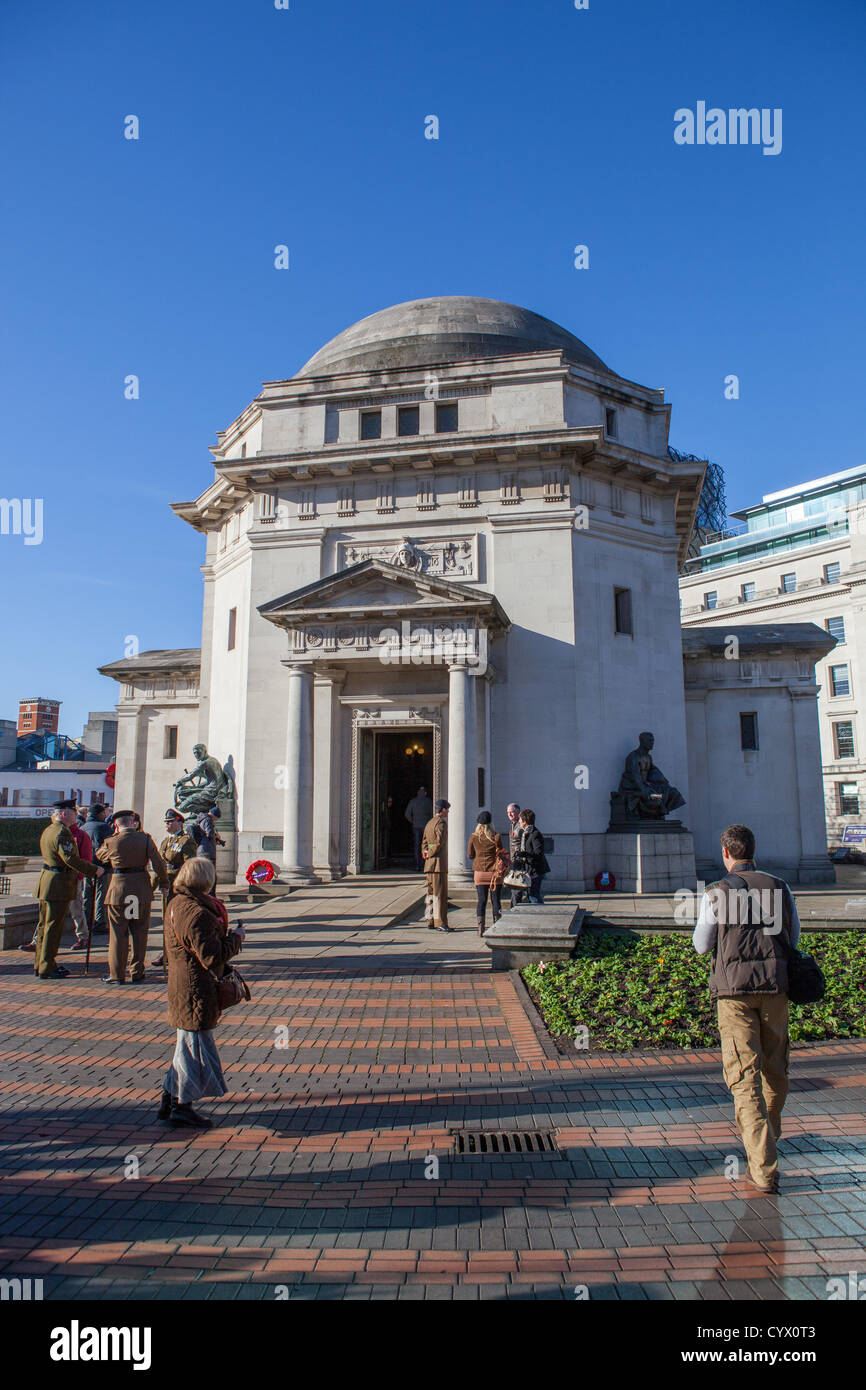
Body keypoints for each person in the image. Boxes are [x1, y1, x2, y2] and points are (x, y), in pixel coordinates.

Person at [692, 823, 799, 1195]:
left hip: (734, 993)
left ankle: (763, 1168)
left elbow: (701, 945)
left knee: (744, 1078)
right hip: (775, 989)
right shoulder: (779, 886)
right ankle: (768, 1136)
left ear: (726, 853)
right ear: (753, 850)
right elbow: (793, 938)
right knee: (775, 1070)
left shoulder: (716, 892)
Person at [159, 856, 245, 1129]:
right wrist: (236, 939)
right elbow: (211, 956)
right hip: (195, 989)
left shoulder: (178, 903)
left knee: (186, 1044)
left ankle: (169, 1098)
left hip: (184, 985)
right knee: (193, 1048)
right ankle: (181, 1107)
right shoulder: (196, 913)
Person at [32, 799, 104, 980]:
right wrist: (94, 870)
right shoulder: (62, 832)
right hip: (58, 884)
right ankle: (47, 966)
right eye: (73, 811)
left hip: (48, 882)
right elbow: (70, 859)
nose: (76, 815)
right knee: (53, 927)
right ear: (64, 813)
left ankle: (40, 963)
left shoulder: (49, 830)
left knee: (44, 926)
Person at [96, 811, 169, 984]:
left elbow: (100, 856)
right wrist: (164, 882)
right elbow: (158, 863)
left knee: (118, 934)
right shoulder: (145, 839)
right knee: (139, 932)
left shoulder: (112, 841)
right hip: (139, 891)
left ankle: (117, 973)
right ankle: (137, 970)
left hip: (119, 891)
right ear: (132, 822)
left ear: (116, 825)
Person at [151, 809, 198, 967]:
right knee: (167, 921)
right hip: (166, 884)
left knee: (177, 920)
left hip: (177, 885)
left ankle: (178, 951)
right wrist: (152, 886)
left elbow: (188, 866)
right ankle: (167, 952)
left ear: (180, 822)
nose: (167, 824)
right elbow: (159, 864)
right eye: (166, 822)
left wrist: (183, 886)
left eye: (171, 821)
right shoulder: (166, 841)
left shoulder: (186, 841)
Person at [468, 811, 506, 936]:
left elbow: (470, 855)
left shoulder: (474, 837)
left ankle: (480, 928)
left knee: (481, 900)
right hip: (494, 873)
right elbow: (500, 853)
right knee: (496, 900)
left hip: (479, 872)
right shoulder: (496, 837)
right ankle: (497, 926)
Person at [82, 803, 112, 936]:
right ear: (99, 814)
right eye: (103, 813)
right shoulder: (104, 827)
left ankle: (86, 921)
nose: (105, 815)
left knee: (87, 895)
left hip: (87, 866)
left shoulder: (83, 827)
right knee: (101, 894)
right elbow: (110, 846)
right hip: (102, 866)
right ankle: (100, 923)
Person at [421, 799, 451, 932]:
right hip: (438, 864)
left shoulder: (429, 823)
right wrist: (431, 852)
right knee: (439, 894)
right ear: (443, 810)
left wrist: (426, 852)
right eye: (447, 810)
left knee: (430, 893)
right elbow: (440, 842)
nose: (448, 812)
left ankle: (430, 919)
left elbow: (424, 842)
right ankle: (440, 922)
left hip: (429, 864)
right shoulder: (441, 823)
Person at [518, 809, 550, 904]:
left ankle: (538, 910)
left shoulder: (535, 833)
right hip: (528, 869)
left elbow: (538, 853)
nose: (519, 822)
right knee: (531, 895)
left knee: (534, 895)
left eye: (520, 819)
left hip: (535, 870)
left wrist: (525, 854)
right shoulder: (525, 833)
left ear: (525, 821)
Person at [404, 785, 434, 871]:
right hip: (426, 826)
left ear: (417, 793)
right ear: (425, 793)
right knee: (427, 845)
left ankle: (417, 865)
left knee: (417, 846)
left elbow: (407, 814)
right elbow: (433, 814)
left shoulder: (413, 801)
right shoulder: (429, 801)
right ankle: (425, 863)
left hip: (416, 826)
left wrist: (413, 821)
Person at [505, 802, 524, 908]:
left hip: (519, 861)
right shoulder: (512, 825)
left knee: (517, 888)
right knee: (514, 887)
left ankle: (515, 908)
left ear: (518, 812)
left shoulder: (520, 826)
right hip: (513, 861)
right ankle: (514, 907)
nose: (509, 814)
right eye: (508, 812)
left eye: (512, 812)